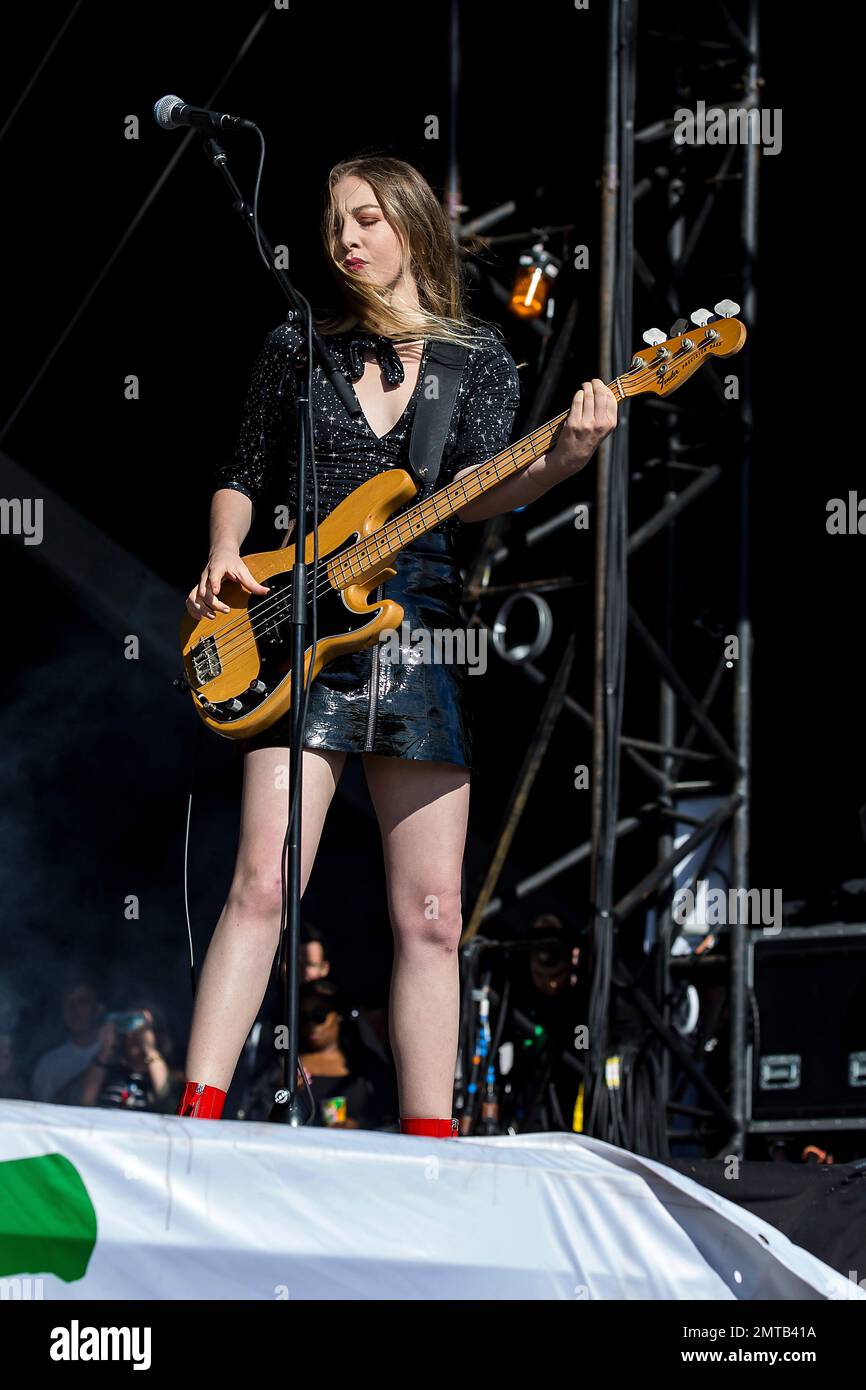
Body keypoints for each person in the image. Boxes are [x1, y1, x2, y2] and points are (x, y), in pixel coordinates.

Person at [178, 154, 617, 1134]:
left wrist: (567, 457)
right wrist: (220, 552)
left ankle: (432, 1148)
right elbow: (240, 468)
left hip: (415, 635)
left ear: (412, 228)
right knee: (261, 884)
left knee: (429, 915)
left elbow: (483, 491)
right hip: (294, 628)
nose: (345, 240)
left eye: (366, 219)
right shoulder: (301, 346)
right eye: (335, 222)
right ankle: (193, 1121)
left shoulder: (478, 360)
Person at [80, 1003, 176, 1113]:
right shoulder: (108, 1070)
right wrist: (105, 1050)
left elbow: (167, 1099)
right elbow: (86, 1100)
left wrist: (150, 1049)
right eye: (129, 1024)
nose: (133, 1034)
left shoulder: (164, 1074)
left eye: (141, 1026)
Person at [30, 973, 105, 1105]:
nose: (73, 1010)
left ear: (98, 1009)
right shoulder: (49, 1064)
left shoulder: (115, 1057)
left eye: (82, 1002)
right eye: (67, 1003)